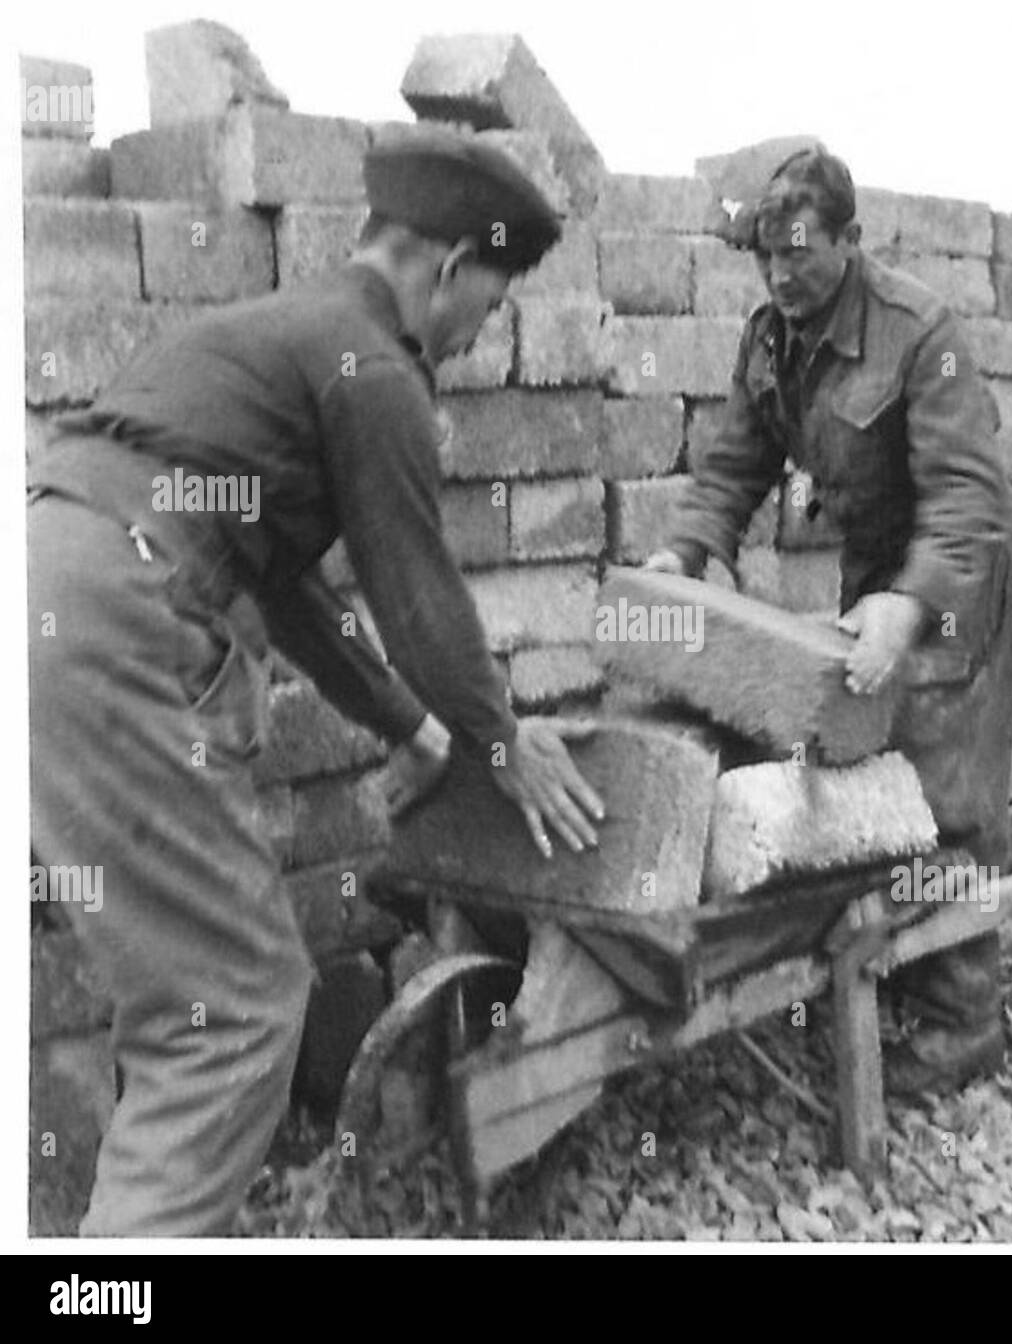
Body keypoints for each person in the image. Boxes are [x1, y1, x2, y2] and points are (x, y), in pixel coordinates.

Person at [28, 127, 604, 1236]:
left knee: (175, 987)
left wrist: (414, 731)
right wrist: (500, 741)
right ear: (444, 269)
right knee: (235, 1012)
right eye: (483, 311)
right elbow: (420, 602)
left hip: (52, 577)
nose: (474, 341)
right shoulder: (375, 371)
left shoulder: (271, 333)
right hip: (114, 613)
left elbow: (290, 591)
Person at [645, 145, 1012, 1097]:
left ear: (852, 241)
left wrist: (907, 604)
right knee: (868, 767)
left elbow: (968, 499)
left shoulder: (920, 333)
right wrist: (682, 551)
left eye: (800, 253)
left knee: (946, 789)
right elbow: (733, 467)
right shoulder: (770, 338)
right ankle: (891, 959)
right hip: (874, 574)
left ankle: (962, 1019)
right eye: (765, 256)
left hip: (953, 577)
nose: (780, 273)